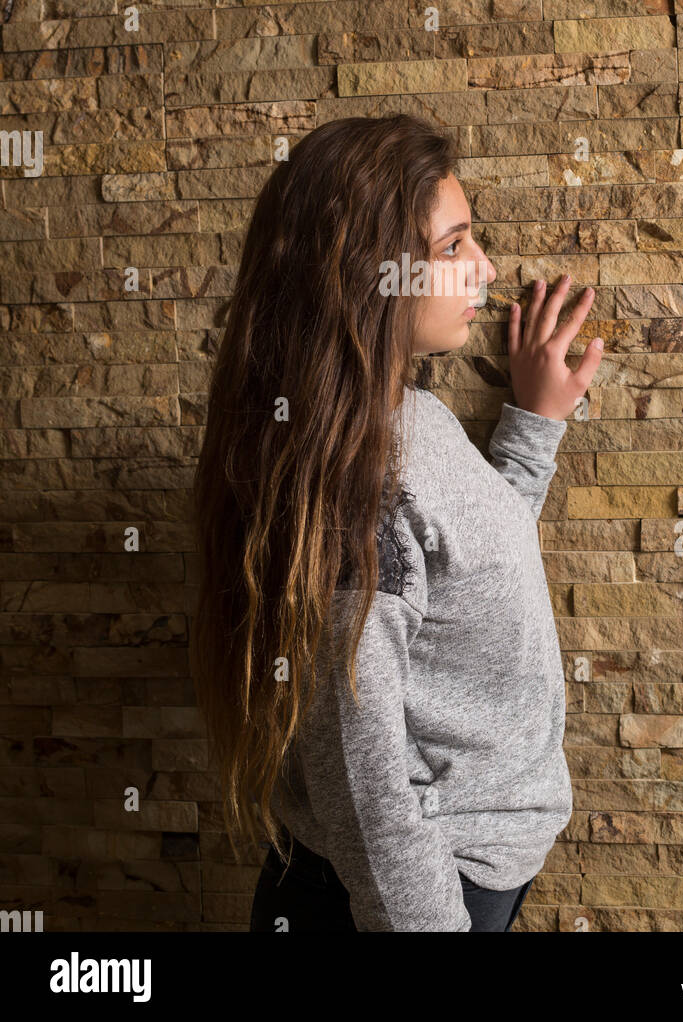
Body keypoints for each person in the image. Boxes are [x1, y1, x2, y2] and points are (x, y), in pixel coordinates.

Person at [190, 114, 604, 932]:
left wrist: (535, 423)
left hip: (458, 874)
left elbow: (468, 563)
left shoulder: (408, 413)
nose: (484, 267)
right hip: (407, 900)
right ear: (367, 273)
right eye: (452, 247)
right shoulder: (352, 488)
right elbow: (364, 782)